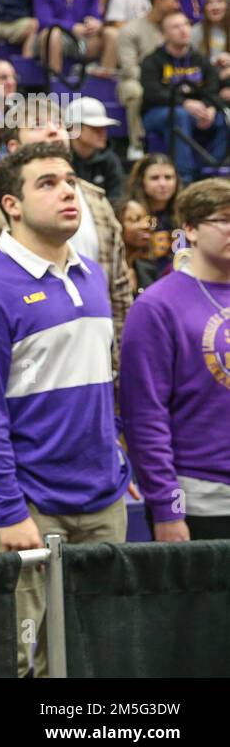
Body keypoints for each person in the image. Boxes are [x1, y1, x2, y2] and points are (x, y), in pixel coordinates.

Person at [0, 140, 132, 678]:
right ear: (11, 204)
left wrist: (118, 459)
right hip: (26, 506)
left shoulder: (92, 277)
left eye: (70, 180)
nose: (66, 192)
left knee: (91, 653)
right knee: (16, 663)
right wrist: (8, 510)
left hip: (101, 500)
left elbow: (102, 380)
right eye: (47, 183)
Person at [0, 103, 133, 361]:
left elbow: (118, 294)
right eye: (38, 125)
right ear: (14, 148)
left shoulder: (97, 202)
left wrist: (121, 364)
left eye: (59, 124)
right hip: (31, 361)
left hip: (98, 362)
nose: (54, 130)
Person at [122, 178, 230, 541]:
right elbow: (145, 416)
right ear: (190, 229)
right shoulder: (157, 306)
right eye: (224, 219)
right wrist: (168, 508)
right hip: (200, 496)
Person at [140, 10, 229, 181]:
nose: (183, 30)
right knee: (180, 116)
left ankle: (213, 173)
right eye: (176, 27)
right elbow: (153, 94)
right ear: (164, 35)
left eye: (186, 25)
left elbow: (213, 88)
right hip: (158, 113)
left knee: (223, 117)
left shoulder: (200, 59)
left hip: (198, 112)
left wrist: (210, 108)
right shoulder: (152, 61)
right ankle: (184, 178)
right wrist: (185, 103)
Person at [118, 0, 180, 160]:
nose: (177, 5)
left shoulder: (176, 27)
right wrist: (153, 79)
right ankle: (136, 144)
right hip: (137, 80)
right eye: (173, 0)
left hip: (171, 77)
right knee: (134, 90)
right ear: (159, 0)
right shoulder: (131, 30)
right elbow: (128, 67)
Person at [128, 153, 182, 278]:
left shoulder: (185, 212)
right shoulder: (130, 215)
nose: (162, 184)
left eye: (168, 177)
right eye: (155, 178)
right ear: (142, 181)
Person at [64, 95, 127, 203]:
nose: (103, 133)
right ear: (74, 129)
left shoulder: (110, 160)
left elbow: (117, 200)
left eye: (104, 127)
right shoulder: (59, 160)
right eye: (95, 128)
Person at [112, 197, 163, 295]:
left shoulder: (149, 270)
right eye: (136, 219)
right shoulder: (106, 272)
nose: (146, 226)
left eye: (147, 220)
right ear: (116, 224)